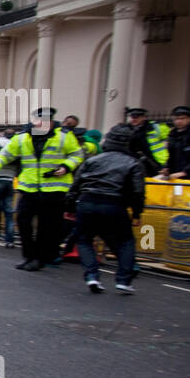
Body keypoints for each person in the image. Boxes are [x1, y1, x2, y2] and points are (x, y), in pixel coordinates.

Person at [0, 106, 85, 270]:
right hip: (29, 188)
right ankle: (28, 256)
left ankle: (39, 258)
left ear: (51, 122)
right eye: (38, 121)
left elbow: (77, 155)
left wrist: (66, 167)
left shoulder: (64, 136)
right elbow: (6, 153)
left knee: (46, 227)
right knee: (23, 221)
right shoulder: (23, 137)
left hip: (54, 189)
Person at [68, 124, 144, 294]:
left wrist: (70, 206)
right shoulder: (133, 163)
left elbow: (76, 185)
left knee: (84, 240)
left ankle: (92, 276)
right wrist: (137, 213)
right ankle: (124, 280)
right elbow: (138, 191)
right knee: (125, 241)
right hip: (114, 204)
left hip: (87, 202)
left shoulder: (93, 160)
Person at [124, 107, 168, 177]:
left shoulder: (154, 126)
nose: (134, 119)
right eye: (132, 117)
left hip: (156, 160)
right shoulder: (126, 128)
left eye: (136, 117)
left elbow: (169, 137)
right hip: (134, 160)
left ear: (143, 117)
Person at [161, 106, 190, 180]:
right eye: (176, 119)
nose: (179, 121)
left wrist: (185, 172)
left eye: (182, 118)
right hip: (176, 175)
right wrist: (167, 167)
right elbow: (171, 155)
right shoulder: (173, 134)